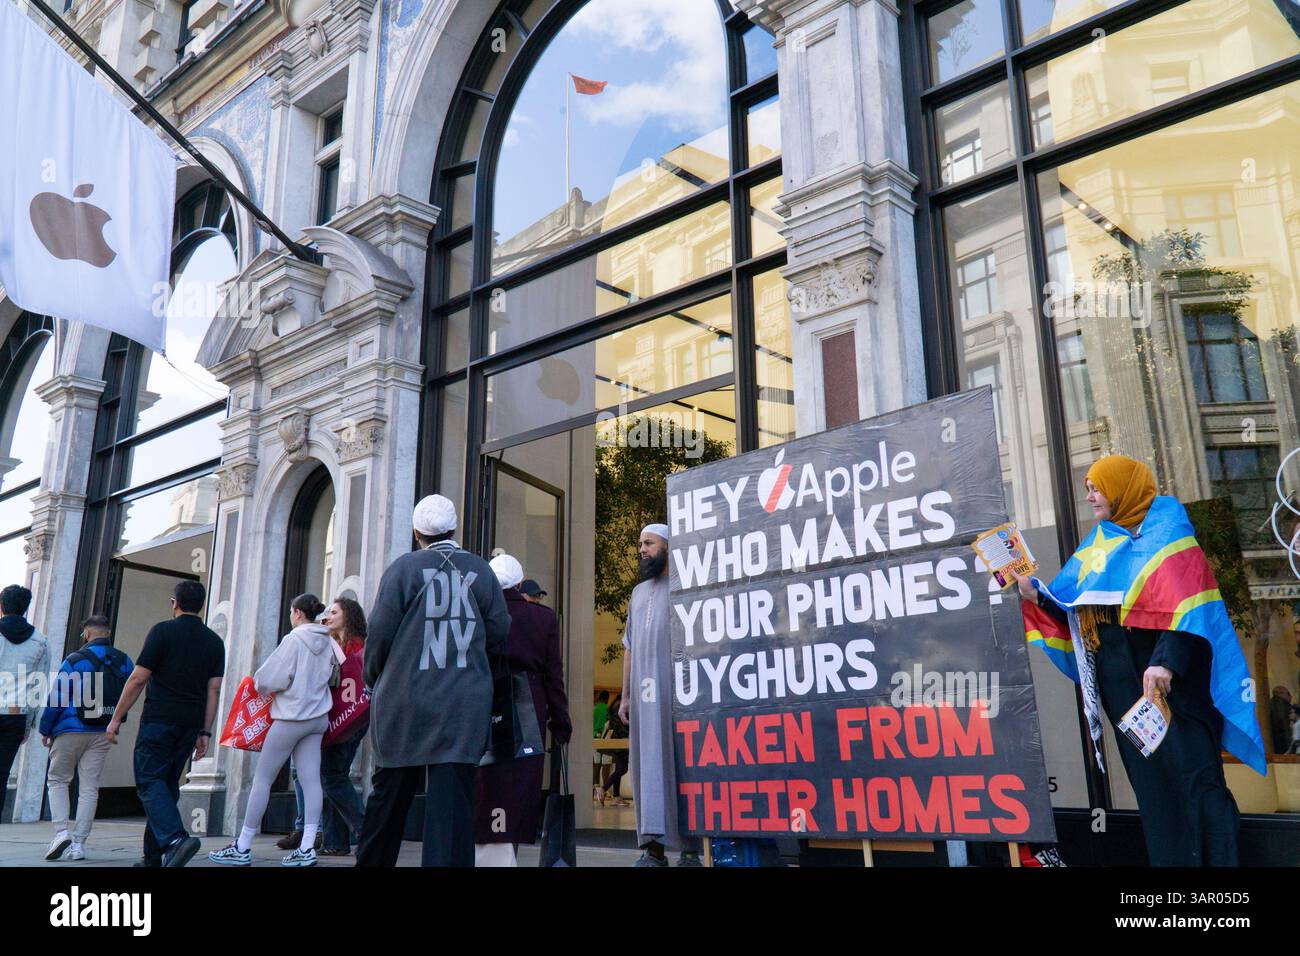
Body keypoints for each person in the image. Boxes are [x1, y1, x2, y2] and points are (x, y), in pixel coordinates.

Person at [1015, 454, 1263, 866]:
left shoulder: (1169, 531)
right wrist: (1035, 594)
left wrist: (1166, 661)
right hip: (1126, 697)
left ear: (1123, 488)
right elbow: (1072, 607)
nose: (1091, 496)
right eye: (1089, 489)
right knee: (1156, 795)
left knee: (1197, 787)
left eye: (1097, 488)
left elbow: (1191, 608)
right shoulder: (1100, 543)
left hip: (1172, 692)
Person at [355, 493, 510, 868]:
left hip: (404, 700)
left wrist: (374, 678)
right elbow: (499, 628)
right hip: (462, 702)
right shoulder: (481, 571)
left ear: (416, 532)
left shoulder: (402, 570)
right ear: (454, 528)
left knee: (388, 799)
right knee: (452, 808)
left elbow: (379, 636)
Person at [209, 593, 336, 867]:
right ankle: (307, 847)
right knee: (312, 780)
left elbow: (268, 679)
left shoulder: (294, 640)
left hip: (290, 718)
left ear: (298, 613)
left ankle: (242, 845)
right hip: (317, 718)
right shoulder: (328, 640)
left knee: (263, 779)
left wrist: (258, 684)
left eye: (292, 612)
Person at [107, 580, 224, 868]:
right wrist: (205, 731)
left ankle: (175, 839)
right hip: (191, 722)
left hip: (160, 718)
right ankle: (153, 859)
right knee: (166, 784)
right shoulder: (214, 641)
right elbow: (214, 690)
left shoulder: (162, 631)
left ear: (175, 603)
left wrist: (116, 717)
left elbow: (137, 678)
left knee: (149, 780)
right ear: (202, 605)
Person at [473, 554, 571, 867]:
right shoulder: (542, 618)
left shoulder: (477, 614)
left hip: (485, 703)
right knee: (520, 785)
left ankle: (492, 855)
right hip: (530, 704)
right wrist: (560, 721)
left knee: (487, 784)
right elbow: (553, 675)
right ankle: (507, 852)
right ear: (519, 583)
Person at [620, 524, 701, 866]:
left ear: (668, 546)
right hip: (643, 698)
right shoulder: (638, 594)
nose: (642, 549)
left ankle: (690, 849)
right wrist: (624, 696)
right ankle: (652, 850)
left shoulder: (688, 589)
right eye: (640, 543)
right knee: (646, 770)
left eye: (649, 543)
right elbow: (630, 648)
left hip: (678, 698)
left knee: (683, 769)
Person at [39, 615, 133, 861]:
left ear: (86, 634)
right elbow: (130, 692)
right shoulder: (124, 661)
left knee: (58, 779)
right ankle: (79, 845)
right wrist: (117, 722)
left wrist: (45, 728)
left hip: (70, 729)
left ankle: (61, 832)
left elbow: (58, 696)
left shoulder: (75, 660)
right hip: (103, 730)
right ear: (108, 632)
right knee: (89, 786)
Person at [318, 596, 370, 856]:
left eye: (334, 612)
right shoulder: (337, 643)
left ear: (347, 616)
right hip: (344, 720)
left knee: (331, 776)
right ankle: (334, 840)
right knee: (333, 775)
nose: (328, 615)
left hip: (346, 720)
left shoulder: (355, 647)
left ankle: (365, 830)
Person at [0, 584, 48, 823]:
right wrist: (29, 723)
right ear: (26, 608)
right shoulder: (40, 641)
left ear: (1, 607)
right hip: (15, 716)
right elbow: (39, 687)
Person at [598, 694, 629, 807]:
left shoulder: (614, 706)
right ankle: (603, 789)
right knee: (622, 769)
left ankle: (616, 796)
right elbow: (621, 725)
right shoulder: (621, 707)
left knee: (620, 768)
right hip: (622, 742)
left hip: (617, 743)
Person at [1269, 686, 1294, 755]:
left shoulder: (1270, 704)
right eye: (1288, 693)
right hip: (1283, 744)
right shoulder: (1283, 705)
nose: (1291, 696)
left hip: (1275, 743)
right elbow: (1284, 725)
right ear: (1280, 694)